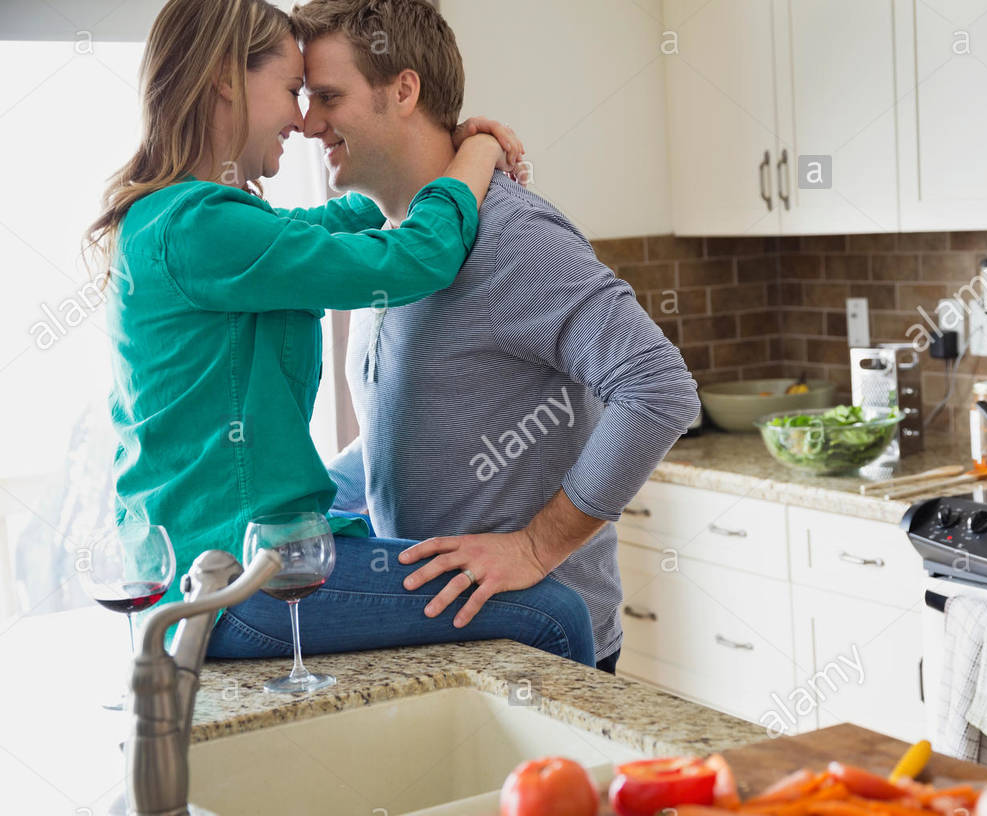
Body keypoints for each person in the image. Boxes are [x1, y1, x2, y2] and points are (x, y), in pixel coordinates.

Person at [86, 0, 596, 666]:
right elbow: (416, 259)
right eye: (293, 91)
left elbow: (329, 228)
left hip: (199, 577)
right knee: (555, 614)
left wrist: (427, 166)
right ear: (224, 79)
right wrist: (475, 153)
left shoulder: (169, 217)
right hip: (238, 581)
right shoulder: (203, 224)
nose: (302, 120)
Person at [291, 0, 701, 674]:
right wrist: (304, 508)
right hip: (449, 637)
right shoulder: (387, 245)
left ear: (404, 89)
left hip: (546, 646)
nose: (308, 124)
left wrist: (538, 546)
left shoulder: (513, 238)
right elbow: (420, 421)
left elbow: (657, 388)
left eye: (327, 97)